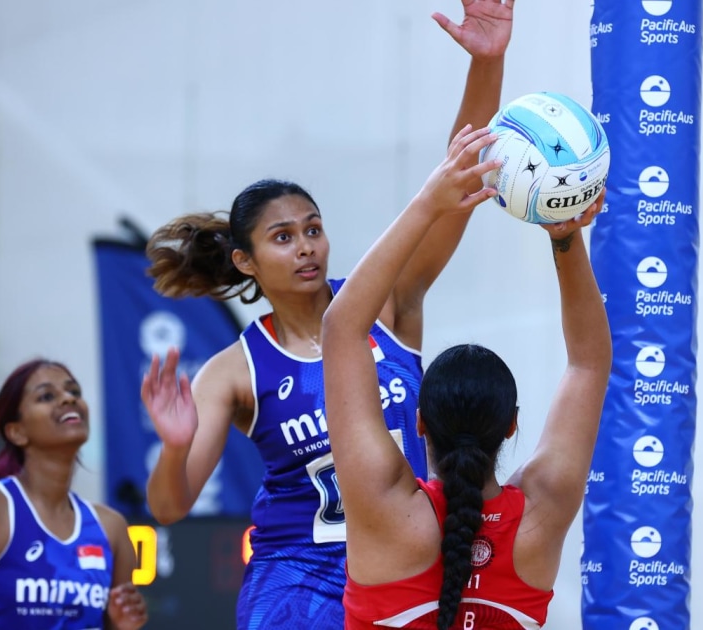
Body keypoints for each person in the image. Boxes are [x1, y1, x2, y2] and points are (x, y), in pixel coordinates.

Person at [138, 3, 517, 627]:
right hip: (298, 584)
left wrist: (487, 61)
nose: (306, 246)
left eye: (312, 229)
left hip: (404, 568)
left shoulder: (384, 305)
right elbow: (170, 507)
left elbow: (456, 187)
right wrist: (174, 450)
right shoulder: (235, 372)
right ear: (246, 260)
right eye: (283, 237)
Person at [321, 123, 611, 629]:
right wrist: (565, 236)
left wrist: (430, 204)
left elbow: (342, 329)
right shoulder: (540, 515)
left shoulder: (384, 509)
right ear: (511, 425)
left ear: (419, 423)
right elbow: (589, 363)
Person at [0, 359, 148, 630]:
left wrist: (122, 626)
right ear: (17, 432)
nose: (69, 399)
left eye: (74, 392)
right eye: (46, 396)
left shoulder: (111, 527)